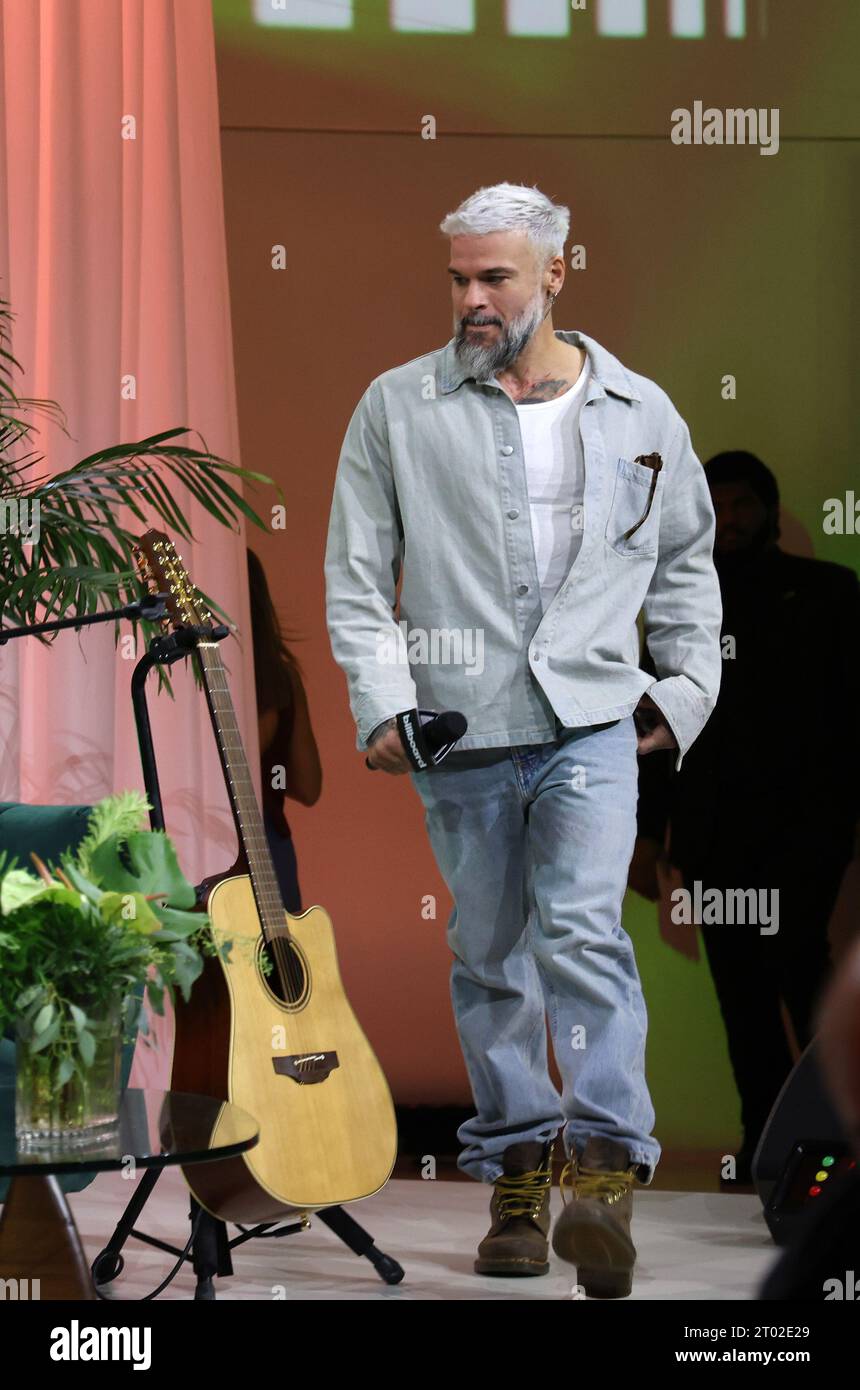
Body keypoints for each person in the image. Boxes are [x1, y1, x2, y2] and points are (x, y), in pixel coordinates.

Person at [324, 182, 722, 1298]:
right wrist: (382, 702)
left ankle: (599, 1177)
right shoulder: (398, 406)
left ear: (556, 271)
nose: (471, 298)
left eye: (494, 276)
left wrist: (682, 687)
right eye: (457, 277)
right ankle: (513, 1174)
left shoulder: (640, 410)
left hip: (592, 721)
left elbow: (684, 563)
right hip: (461, 726)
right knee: (490, 952)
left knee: (583, 936)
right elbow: (357, 578)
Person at [630, 451, 860, 1187]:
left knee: (804, 977)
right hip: (715, 837)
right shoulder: (678, 607)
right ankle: (766, 1151)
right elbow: (651, 731)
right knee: (742, 999)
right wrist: (645, 834)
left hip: (806, 832)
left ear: (768, 509)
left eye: (742, 507)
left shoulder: (829, 594)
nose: (728, 522)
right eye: (716, 507)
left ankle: (835, 1145)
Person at [247, 548, 322, 912]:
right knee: (276, 964)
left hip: (214, 842)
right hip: (272, 843)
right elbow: (308, 787)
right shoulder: (281, 679)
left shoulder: (185, 675)